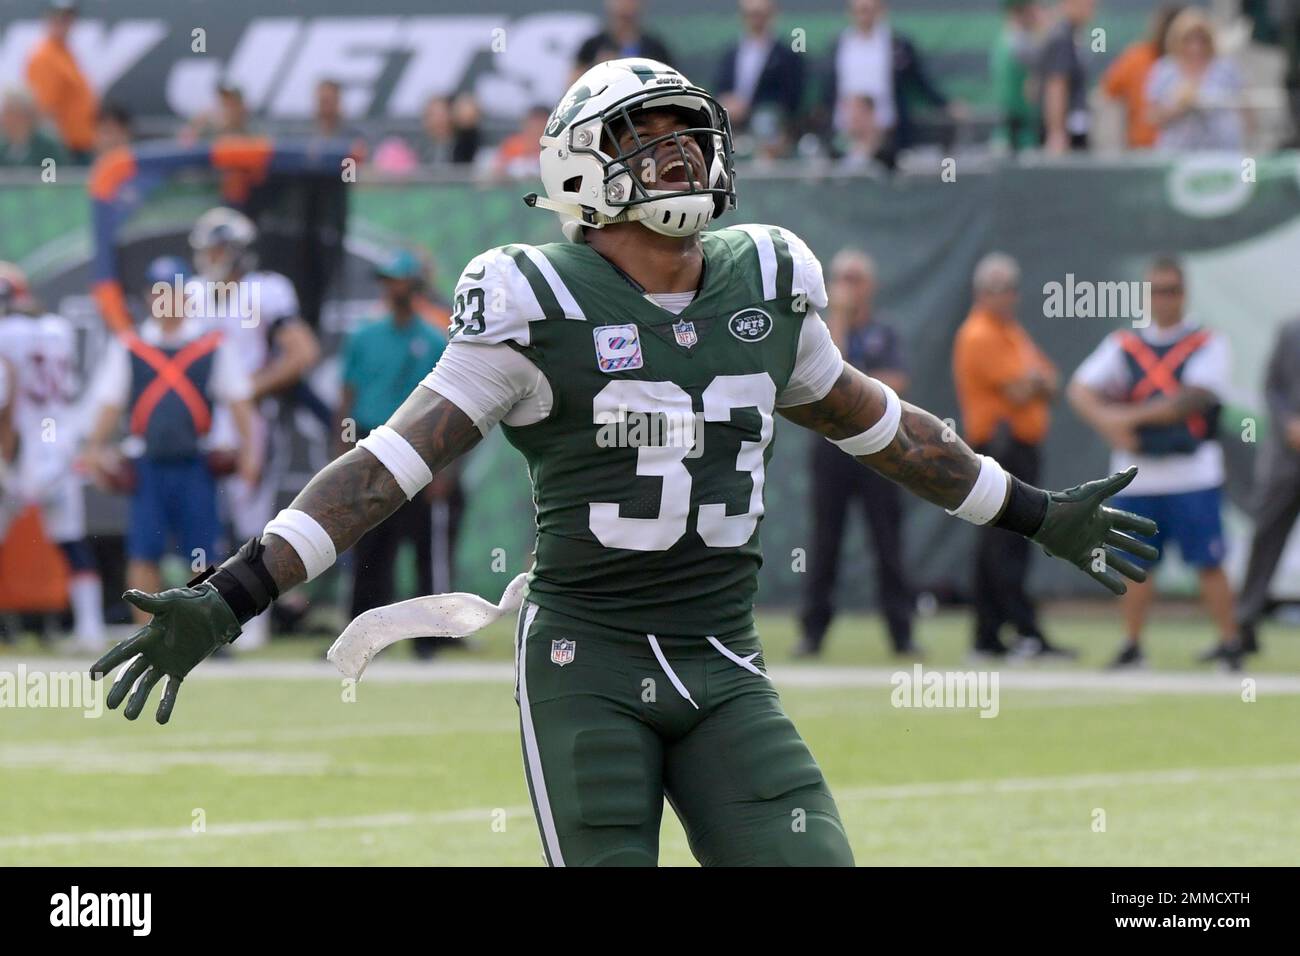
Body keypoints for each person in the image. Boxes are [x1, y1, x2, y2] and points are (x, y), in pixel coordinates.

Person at [91, 58, 1154, 868]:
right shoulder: (530, 303)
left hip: (723, 660)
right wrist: (232, 592)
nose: (676, 153)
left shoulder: (767, 282)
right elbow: (383, 470)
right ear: (577, 168)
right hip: (585, 664)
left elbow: (886, 431)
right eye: (642, 138)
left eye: (687, 134)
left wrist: (1028, 509)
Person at [1068, 256, 1239, 670]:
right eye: (1157, 291)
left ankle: (1230, 643)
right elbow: (1079, 389)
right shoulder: (1124, 345)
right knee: (1133, 562)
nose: (1165, 299)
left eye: (1172, 290)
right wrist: (1108, 425)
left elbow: (1190, 400)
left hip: (1192, 472)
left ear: (1184, 293)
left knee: (1209, 561)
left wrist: (1124, 417)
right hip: (1138, 476)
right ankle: (1132, 644)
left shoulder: (1207, 343)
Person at [81, 257, 257, 620]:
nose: (166, 300)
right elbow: (110, 404)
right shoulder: (130, 346)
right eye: (158, 292)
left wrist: (250, 452)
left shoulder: (211, 347)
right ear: (148, 297)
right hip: (148, 463)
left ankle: (201, 631)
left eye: (173, 292)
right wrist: (95, 449)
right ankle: (146, 634)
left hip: (196, 462)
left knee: (203, 553)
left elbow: (240, 403)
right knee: (144, 552)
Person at [188, 206, 321, 649]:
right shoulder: (191, 294)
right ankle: (201, 614)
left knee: (252, 524)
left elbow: (302, 353)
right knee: (203, 522)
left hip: (251, 421)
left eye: (220, 247)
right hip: (201, 421)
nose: (212, 255)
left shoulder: (266, 290)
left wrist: (246, 389)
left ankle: (253, 619)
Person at [338, 250, 457, 658]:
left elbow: (447, 408)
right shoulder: (363, 337)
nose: (391, 287)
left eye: (398, 279)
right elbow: (347, 397)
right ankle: (365, 634)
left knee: (422, 545)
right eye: (387, 280)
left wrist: (444, 468)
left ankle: (427, 639)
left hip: (417, 446)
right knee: (369, 546)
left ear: (413, 285)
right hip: (372, 444)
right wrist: (342, 453)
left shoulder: (432, 340)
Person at [797, 249, 915, 658]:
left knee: (888, 541)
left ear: (871, 286)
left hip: (879, 449)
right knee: (824, 541)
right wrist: (840, 322)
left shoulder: (886, 333)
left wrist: (861, 388)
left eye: (856, 277)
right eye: (841, 277)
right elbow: (828, 383)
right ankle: (813, 632)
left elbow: (894, 382)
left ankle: (902, 633)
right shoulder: (820, 334)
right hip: (831, 448)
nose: (848, 285)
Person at [953, 253, 1071, 660]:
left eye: (1012, 289)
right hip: (998, 449)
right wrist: (1035, 382)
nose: (1008, 297)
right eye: (999, 289)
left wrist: (1036, 382)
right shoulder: (979, 334)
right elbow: (1022, 389)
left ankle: (990, 635)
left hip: (1021, 450)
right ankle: (1023, 631)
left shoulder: (1012, 332)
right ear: (981, 292)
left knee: (1004, 543)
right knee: (1005, 543)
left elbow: (1051, 382)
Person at [0, 261, 106, 651]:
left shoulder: (6, 335)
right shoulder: (55, 329)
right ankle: (91, 629)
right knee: (71, 539)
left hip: (25, 451)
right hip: (61, 445)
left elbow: (3, 399)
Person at [1233, 316, 1300, 656]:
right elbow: (1272, 388)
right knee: (1265, 536)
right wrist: (1288, 424)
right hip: (1285, 460)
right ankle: (1244, 623)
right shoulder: (1291, 331)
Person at [826, 0, 961, 168]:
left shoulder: (898, 44)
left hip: (889, 134)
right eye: (859, 11)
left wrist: (945, 104)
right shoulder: (840, 44)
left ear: (881, 11)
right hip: (847, 134)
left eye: (868, 10)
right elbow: (830, 89)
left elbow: (919, 81)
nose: (863, 16)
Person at [1146, 8, 1248, 151]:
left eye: (1202, 39)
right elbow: (1152, 116)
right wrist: (1179, 106)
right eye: (1188, 39)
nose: (1195, 46)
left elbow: (1245, 110)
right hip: (1177, 151)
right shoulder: (1164, 70)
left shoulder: (1225, 69)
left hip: (1222, 151)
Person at [714, 0, 805, 141]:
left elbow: (791, 99)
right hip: (730, 126)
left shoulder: (787, 56)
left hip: (769, 129)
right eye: (749, 14)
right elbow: (720, 88)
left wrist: (747, 107)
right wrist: (727, 103)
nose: (755, 20)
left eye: (759, 14)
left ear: (772, 15)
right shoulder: (730, 53)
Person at [1100, 4, 1183, 150]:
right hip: (1143, 144)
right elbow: (1108, 92)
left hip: (1178, 145)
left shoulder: (1189, 63)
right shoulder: (1137, 58)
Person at [24, 0, 97, 163]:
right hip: (65, 149)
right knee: (57, 185)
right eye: (56, 18)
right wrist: (54, 152)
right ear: (47, 19)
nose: (62, 23)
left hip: (80, 144)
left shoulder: (64, 53)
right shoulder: (44, 57)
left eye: (67, 18)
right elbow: (42, 110)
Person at [1038, 0, 1097, 153]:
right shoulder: (1061, 37)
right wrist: (1057, 132)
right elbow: (1056, 85)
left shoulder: (1073, 35)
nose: (1091, 8)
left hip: (1075, 124)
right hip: (1067, 131)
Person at [990, 0, 1045, 153]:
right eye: (1035, 8)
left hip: (1011, 135)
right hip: (1019, 140)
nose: (1040, 12)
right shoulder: (1020, 43)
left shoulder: (1005, 39)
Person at [574, 0, 674, 73]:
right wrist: (597, 68)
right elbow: (573, 88)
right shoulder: (592, 45)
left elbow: (673, 82)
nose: (626, 4)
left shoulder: (656, 48)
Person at [0, 88, 67, 168]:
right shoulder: (3, 147)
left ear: (25, 116)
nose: (4, 119)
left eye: (9, 113)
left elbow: (60, 176)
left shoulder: (48, 147)